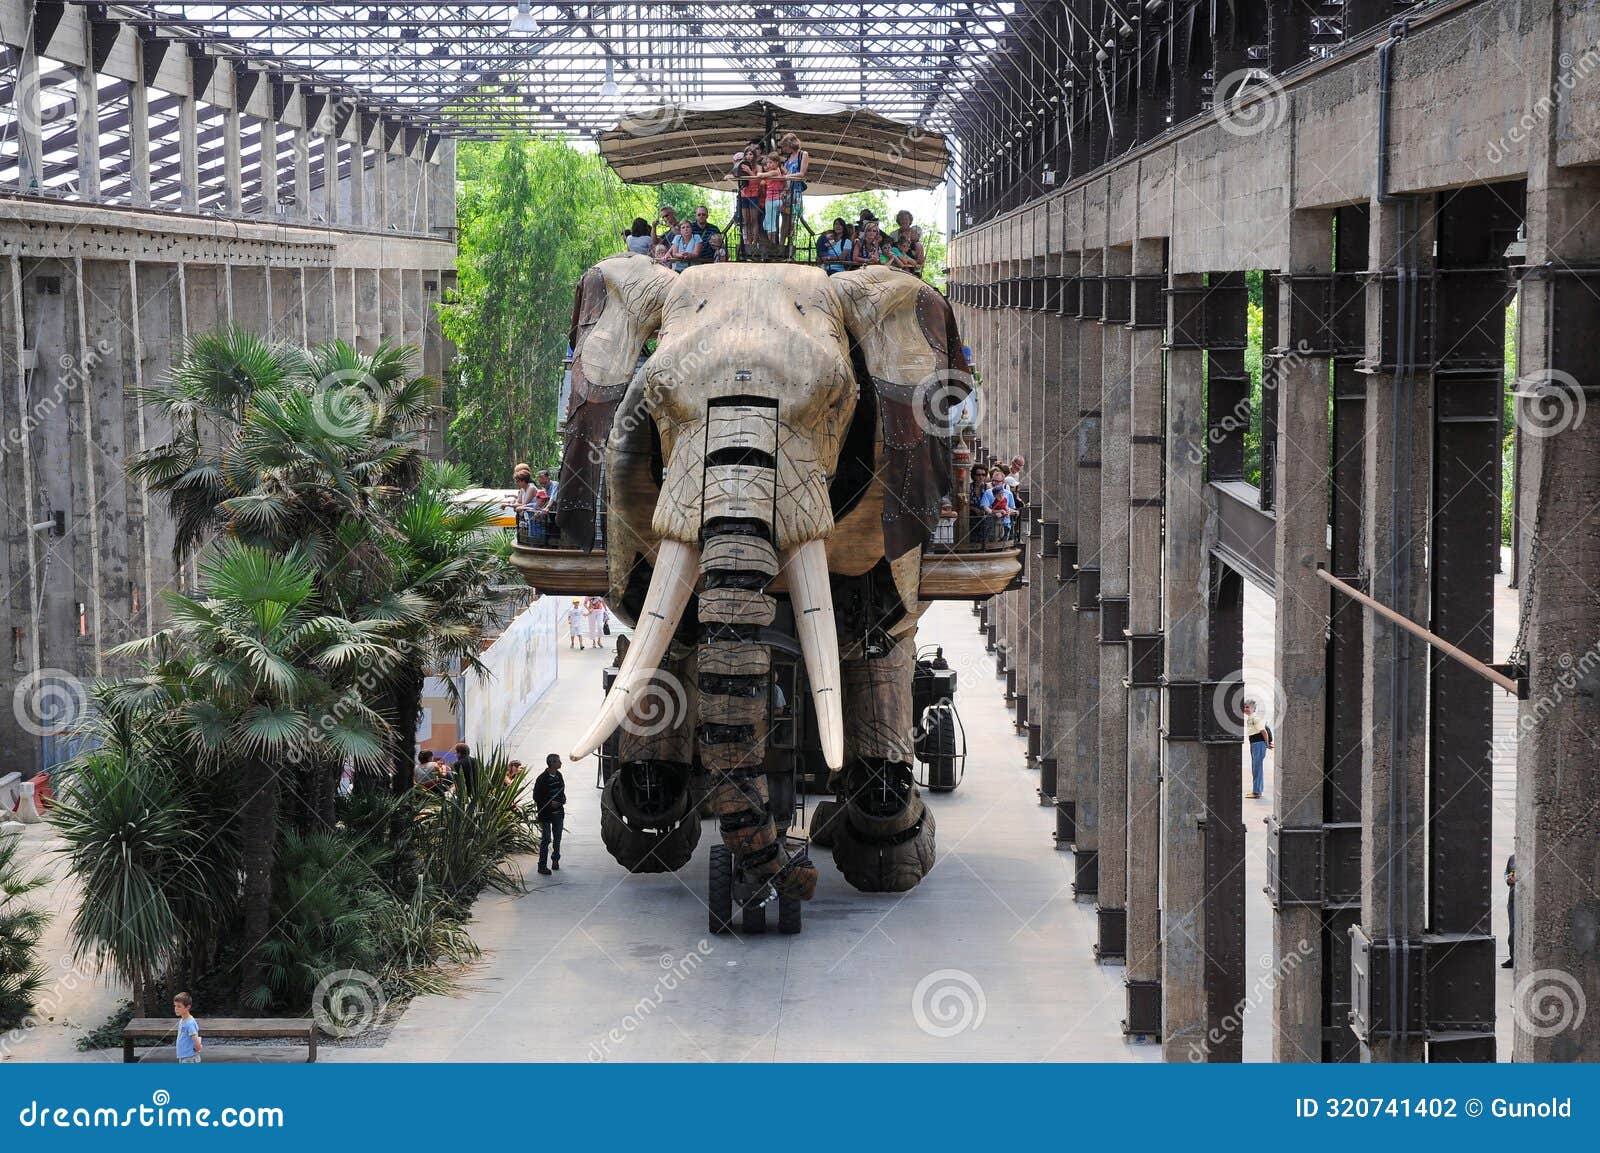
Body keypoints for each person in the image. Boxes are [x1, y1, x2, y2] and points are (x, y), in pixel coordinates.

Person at [533, 753, 567, 876]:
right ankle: (542, 865)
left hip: (558, 813)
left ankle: (555, 861)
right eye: (558, 761)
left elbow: (562, 790)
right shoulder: (542, 778)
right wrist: (549, 803)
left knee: (557, 838)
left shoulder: (559, 775)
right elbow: (536, 796)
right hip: (546, 814)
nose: (560, 763)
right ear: (552, 763)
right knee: (546, 839)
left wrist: (561, 800)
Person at [779, 132, 809, 246]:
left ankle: (790, 244)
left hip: (795, 190)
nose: (784, 149)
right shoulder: (788, 157)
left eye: (785, 146)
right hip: (786, 190)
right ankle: (781, 244)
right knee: (785, 218)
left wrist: (787, 176)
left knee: (792, 219)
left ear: (790, 144)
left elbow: (802, 173)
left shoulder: (803, 154)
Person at [733, 144, 763, 251]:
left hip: (754, 194)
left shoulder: (758, 167)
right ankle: (747, 241)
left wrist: (749, 171)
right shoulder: (742, 165)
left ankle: (755, 241)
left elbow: (758, 180)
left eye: (751, 154)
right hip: (744, 194)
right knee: (746, 220)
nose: (749, 156)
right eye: (747, 154)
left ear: (754, 156)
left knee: (754, 219)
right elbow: (736, 174)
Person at [1242, 698, 1272, 799]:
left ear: (1253, 709)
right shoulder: (1252, 718)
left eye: (1247, 707)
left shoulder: (1254, 718)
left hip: (1258, 744)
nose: (1245, 709)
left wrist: (1267, 743)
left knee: (1257, 768)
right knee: (1257, 768)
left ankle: (1257, 792)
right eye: (1244, 707)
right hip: (1256, 744)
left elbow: (1264, 731)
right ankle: (1258, 790)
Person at [977, 466, 1011, 542]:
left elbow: (1011, 507)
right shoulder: (988, 492)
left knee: (1004, 546)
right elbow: (985, 507)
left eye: (997, 481)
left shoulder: (1008, 494)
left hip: (1006, 523)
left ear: (1003, 482)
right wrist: (995, 512)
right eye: (993, 480)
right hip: (993, 523)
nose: (994, 483)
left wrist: (1010, 511)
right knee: (993, 542)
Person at [760, 152, 787, 243]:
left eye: (770, 162)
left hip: (772, 200)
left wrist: (760, 174)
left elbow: (761, 175)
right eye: (767, 163)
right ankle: (771, 242)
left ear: (776, 163)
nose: (768, 164)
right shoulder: (777, 172)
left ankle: (772, 244)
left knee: (770, 224)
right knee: (767, 222)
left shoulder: (775, 172)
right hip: (774, 199)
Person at [891, 209, 927, 275]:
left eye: (906, 219)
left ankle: (916, 273)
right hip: (897, 261)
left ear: (910, 220)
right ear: (899, 221)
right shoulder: (893, 234)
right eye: (902, 219)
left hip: (912, 263)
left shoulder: (915, 232)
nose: (904, 221)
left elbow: (918, 251)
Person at [173, 992, 202, 1063]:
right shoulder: (182, 1020)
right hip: (183, 1056)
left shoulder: (189, 1023)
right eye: (175, 1006)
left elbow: (196, 1040)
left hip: (190, 1057)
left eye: (179, 1006)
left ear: (188, 1007)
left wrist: (198, 1048)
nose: (176, 1009)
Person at [1503, 854, 1516, 968]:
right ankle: (1513, 958)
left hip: (1527, 900)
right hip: (1513, 901)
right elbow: (1507, 874)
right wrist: (1509, 879)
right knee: (1513, 930)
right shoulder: (1512, 858)